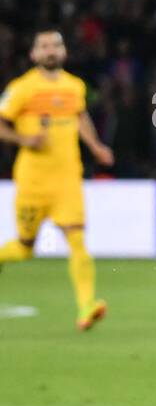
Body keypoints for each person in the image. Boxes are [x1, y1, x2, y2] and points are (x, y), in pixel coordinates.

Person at [0, 30, 113, 330]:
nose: (51, 51)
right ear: (33, 54)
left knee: (77, 241)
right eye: (44, 46)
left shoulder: (74, 86)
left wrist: (96, 146)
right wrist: (23, 138)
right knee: (24, 248)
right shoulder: (22, 88)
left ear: (64, 51)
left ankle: (86, 306)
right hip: (33, 182)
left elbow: (80, 117)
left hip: (67, 179)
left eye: (56, 45)